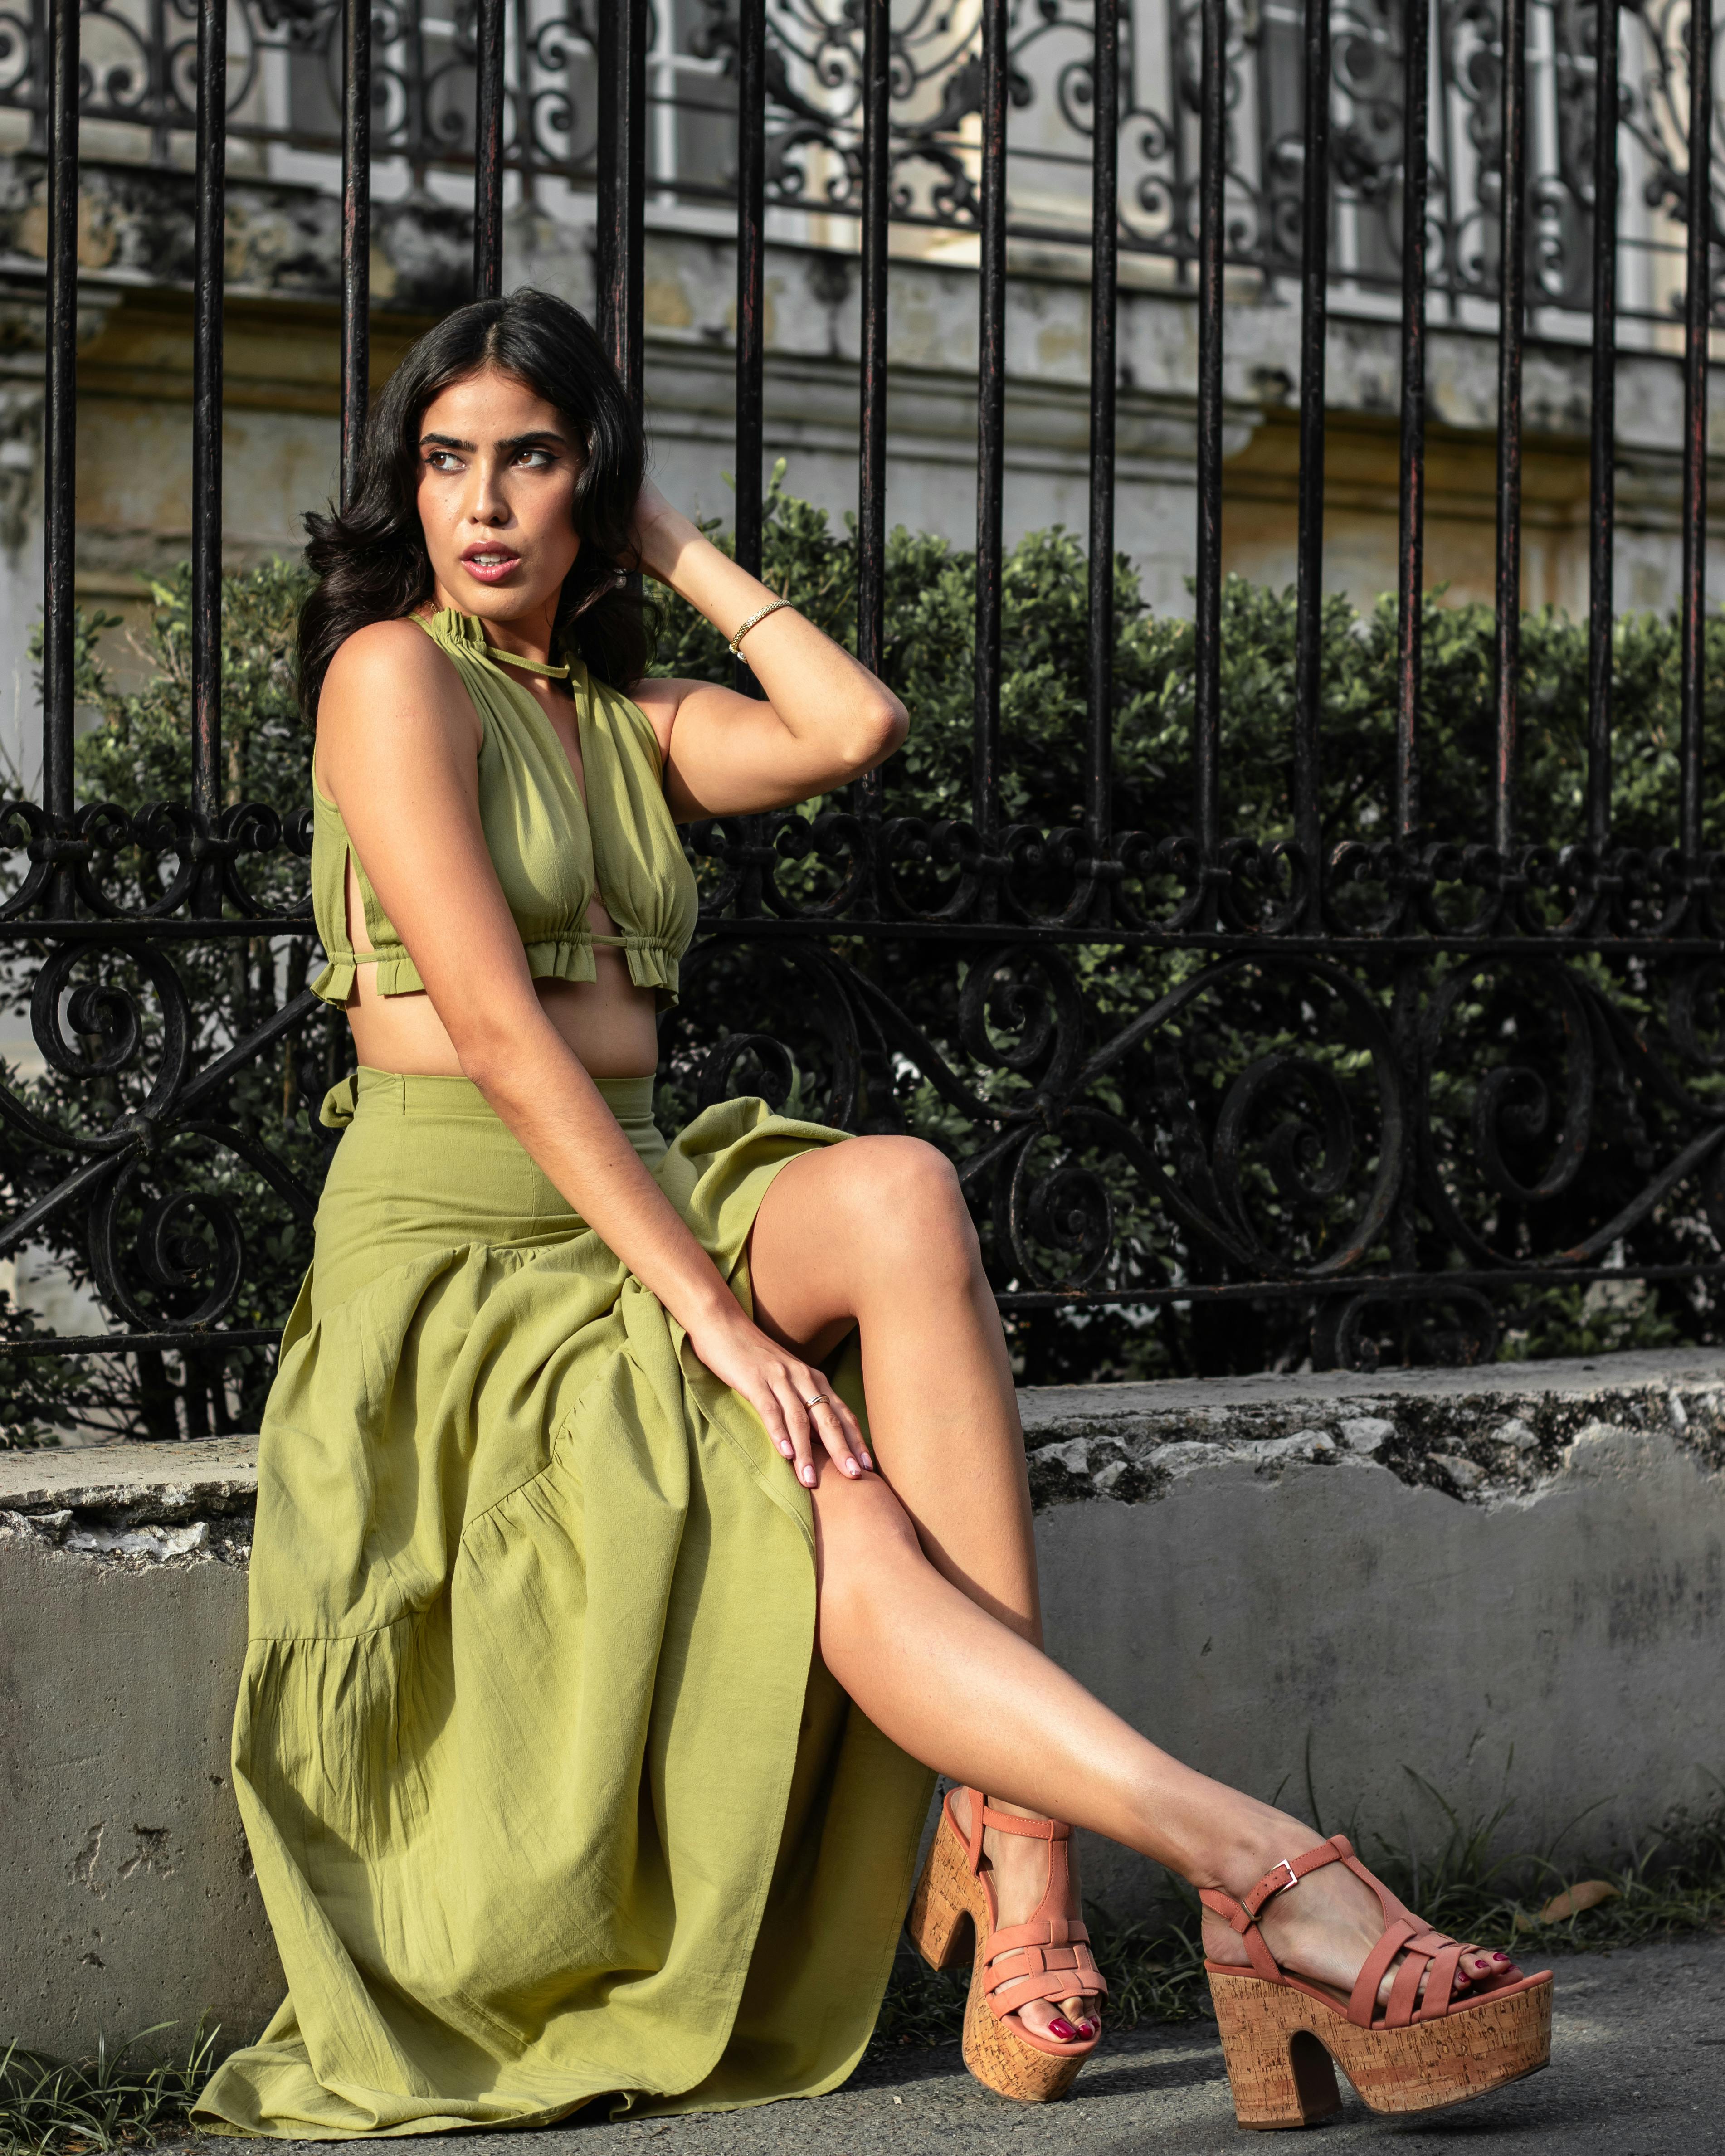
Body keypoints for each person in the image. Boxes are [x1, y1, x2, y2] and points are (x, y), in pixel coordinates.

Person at [193, 288, 1550, 2140]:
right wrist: (718, 1319)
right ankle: (1271, 1876)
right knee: (813, 1483)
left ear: (590, 478)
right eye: (447, 461)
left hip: (642, 1183)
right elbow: (504, 1038)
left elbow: (851, 724)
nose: (486, 503)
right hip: (464, 1256)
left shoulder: (620, 715)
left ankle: (1020, 1844)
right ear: (405, 487)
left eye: (532, 457)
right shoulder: (389, 676)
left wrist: (661, 532)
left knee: (900, 1186)